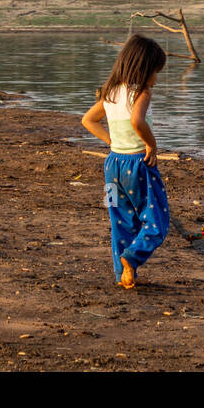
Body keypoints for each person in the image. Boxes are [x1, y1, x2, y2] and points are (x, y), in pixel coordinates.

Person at [81, 34, 170, 289]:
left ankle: (123, 275)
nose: (156, 78)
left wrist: (112, 142)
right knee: (157, 221)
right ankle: (131, 257)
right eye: (156, 71)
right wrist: (151, 145)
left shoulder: (110, 92)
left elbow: (88, 120)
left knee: (119, 219)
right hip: (139, 165)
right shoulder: (142, 92)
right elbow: (137, 122)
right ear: (144, 70)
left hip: (112, 166)